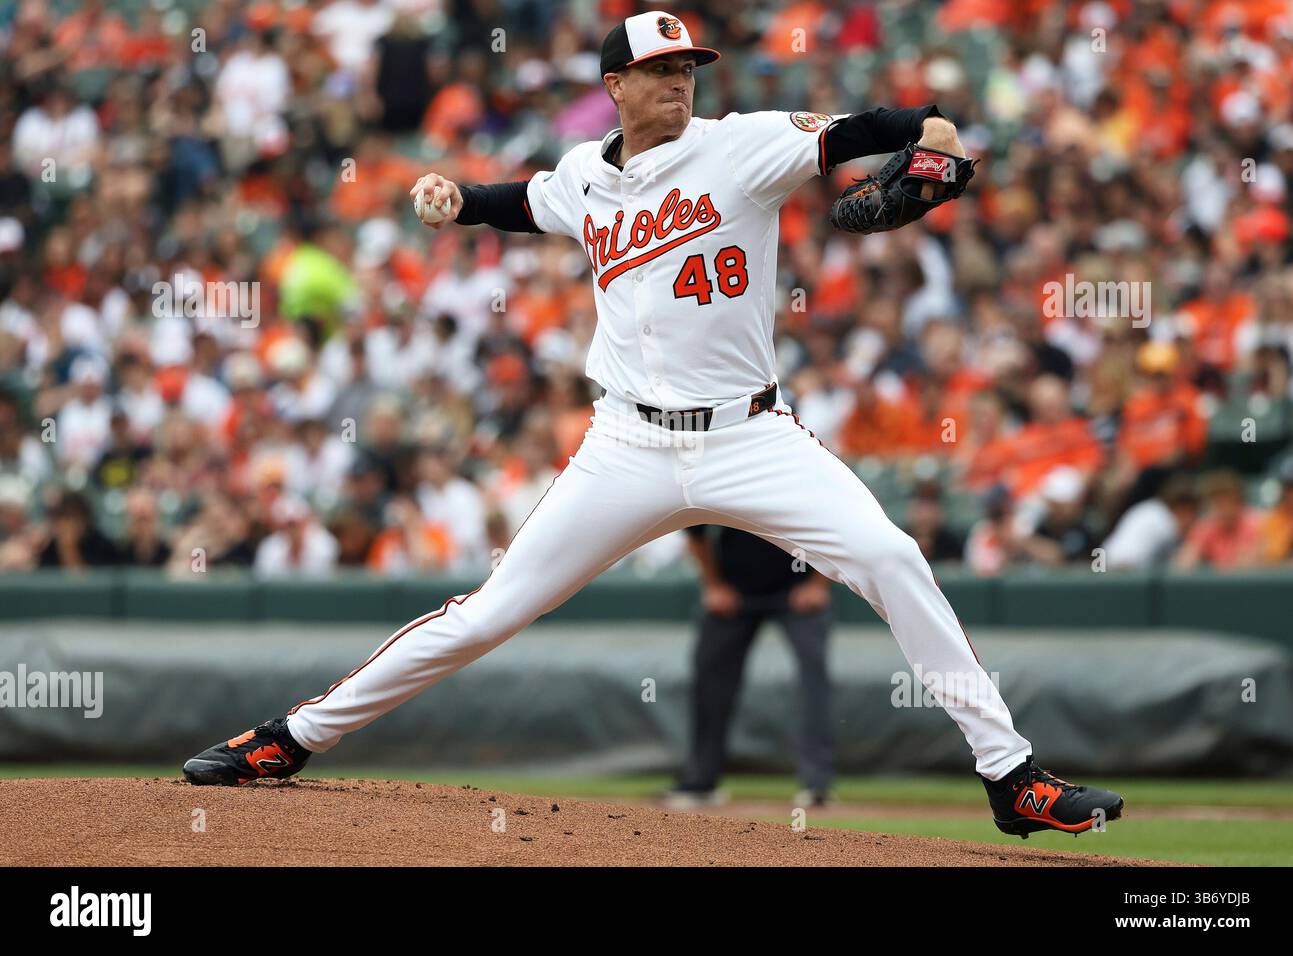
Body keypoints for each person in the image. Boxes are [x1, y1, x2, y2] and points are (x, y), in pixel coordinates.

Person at [183, 11, 1123, 839]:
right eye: (662, 70)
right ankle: (290, 739)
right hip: (626, 445)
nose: (680, 82)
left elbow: (873, 127)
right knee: (490, 615)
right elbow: (529, 203)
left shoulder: (743, 144)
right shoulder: (584, 177)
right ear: (615, 88)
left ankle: (1011, 776)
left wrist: (937, 132)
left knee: (890, 558)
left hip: (750, 436)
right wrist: (461, 201)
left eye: (688, 70)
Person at [664, 526, 834, 809]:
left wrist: (819, 584)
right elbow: (694, 531)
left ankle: (817, 785)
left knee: (814, 683)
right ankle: (700, 781)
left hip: (798, 590)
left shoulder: (812, 479)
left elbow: (838, 526)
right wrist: (713, 585)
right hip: (734, 589)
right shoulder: (717, 480)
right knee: (709, 678)